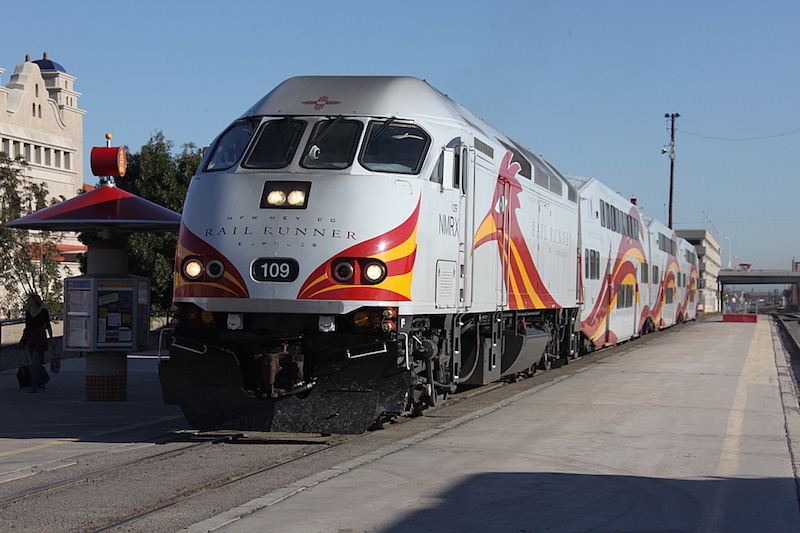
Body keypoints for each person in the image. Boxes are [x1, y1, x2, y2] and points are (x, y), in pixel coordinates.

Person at [18, 293, 52, 393]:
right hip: (30, 340)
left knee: (35, 363)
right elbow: (27, 328)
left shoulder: (43, 312)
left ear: (35, 301)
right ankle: (44, 380)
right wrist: (22, 340)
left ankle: (34, 386)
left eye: (29, 300)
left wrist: (51, 338)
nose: (28, 302)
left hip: (40, 339)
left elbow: (48, 325)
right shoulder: (28, 313)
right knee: (35, 363)